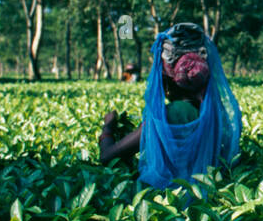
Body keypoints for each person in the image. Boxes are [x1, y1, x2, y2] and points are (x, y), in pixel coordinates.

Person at [99, 22, 242, 188]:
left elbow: (107, 157)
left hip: (172, 199)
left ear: (166, 79)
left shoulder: (170, 115)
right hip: (212, 195)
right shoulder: (219, 113)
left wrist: (108, 126)